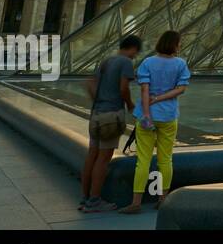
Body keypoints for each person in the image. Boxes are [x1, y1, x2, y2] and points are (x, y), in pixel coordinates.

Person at [119, 30, 190, 214]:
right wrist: (161, 98)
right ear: (175, 44)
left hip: (146, 117)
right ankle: (162, 199)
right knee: (165, 160)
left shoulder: (148, 63)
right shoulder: (181, 64)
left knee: (142, 160)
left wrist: (148, 114)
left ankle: (136, 203)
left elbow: (145, 90)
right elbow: (181, 89)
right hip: (168, 116)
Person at [79, 35, 141, 212]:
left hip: (96, 113)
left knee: (92, 156)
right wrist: (130, 105)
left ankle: (84, 198)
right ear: (133, 49)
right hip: (111, 115)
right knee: (104, 160)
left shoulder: (106, 61)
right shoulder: (125, 63)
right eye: (136, 52)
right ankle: (94, 201)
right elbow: (123, 88)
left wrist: (98, 101)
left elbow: (90, 83)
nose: (135, 56)